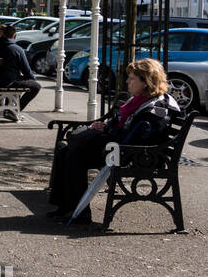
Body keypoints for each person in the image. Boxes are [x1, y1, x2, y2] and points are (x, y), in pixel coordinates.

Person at [46, 59, 181, 225]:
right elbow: (121, 126)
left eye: (132, 78)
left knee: (75, 156)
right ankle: (66, 207)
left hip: (139, 156)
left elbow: (135, 137)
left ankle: (79, 213)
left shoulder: (156, 108)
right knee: (65, 152)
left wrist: (106, 131)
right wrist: (104, 126)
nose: (127, 82)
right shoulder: (140, 100)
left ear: (146, 82)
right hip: (123, 148)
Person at [0, 23, 41, 119]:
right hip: (8, 83)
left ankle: (9, 109)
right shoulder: (17, 49)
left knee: (16, 79)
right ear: (14, 36)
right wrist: (33, 80)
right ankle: (14, 110)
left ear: (2, 34)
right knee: (36, 87)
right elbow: (26, 70)